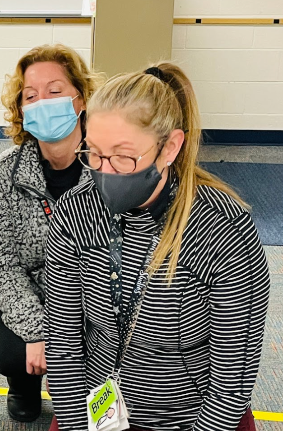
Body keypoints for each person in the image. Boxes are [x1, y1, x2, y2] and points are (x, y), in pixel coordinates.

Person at [44, 62, 269, 431]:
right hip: (98, 412)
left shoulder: (224, 229)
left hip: (195, 416)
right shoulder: (74, 213)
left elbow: (232, 382)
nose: (105, 172)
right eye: (95, 154)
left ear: (170, 147)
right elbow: (64, 347)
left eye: (123, 156)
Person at [0, 44, 99, 422]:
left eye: (55, 90)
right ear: (20, 108)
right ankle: (24, 383)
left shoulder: (109, 166)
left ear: (81, 99)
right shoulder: (0, 176)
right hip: (30, 291)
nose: (42, 102)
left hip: (91, 293)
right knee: (9, 350)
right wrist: (36, 331)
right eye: (31, 95)